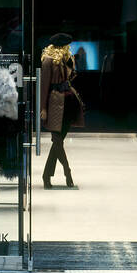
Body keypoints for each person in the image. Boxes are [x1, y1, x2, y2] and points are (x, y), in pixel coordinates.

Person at [40, 32, 84, 189]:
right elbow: (44, 86)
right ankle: (67, 171)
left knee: (57, 142)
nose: (69, 48)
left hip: (69, 102)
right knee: (57, 141)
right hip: (54, 103)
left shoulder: (68, 59)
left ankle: (46, 175)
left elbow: (71, 78)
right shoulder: (48, 61)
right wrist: (43, 108)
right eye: (67, 45)